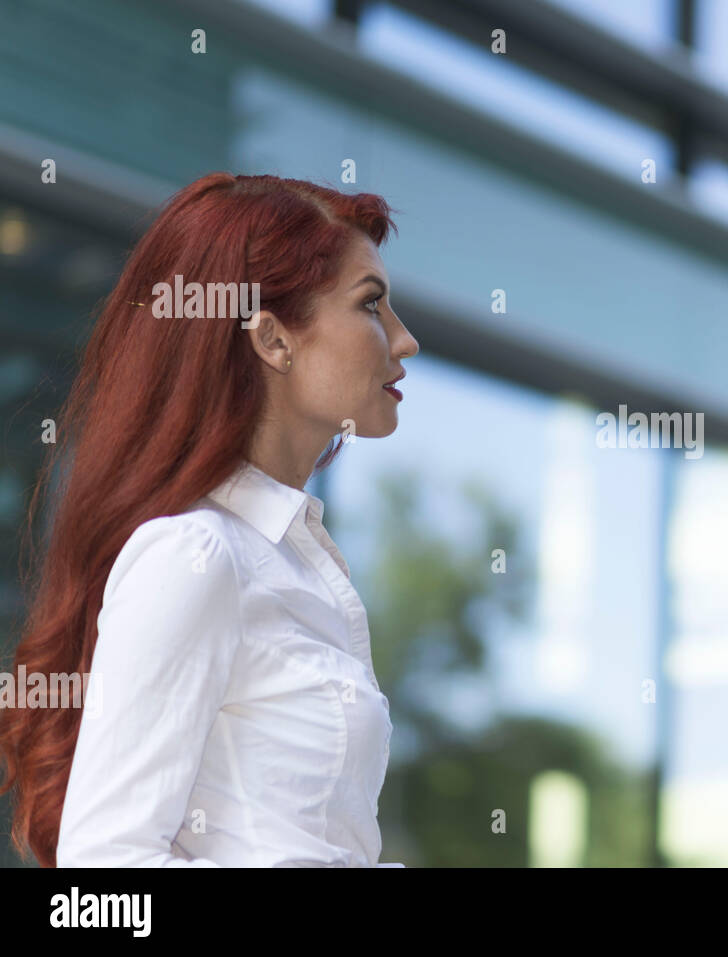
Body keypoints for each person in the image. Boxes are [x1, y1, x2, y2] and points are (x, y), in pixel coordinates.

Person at [0, 173, 419, 866]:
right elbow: (106, 871)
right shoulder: (195, 554)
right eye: (371, 304)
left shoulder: (288, 560)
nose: (404, 341)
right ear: (272, 338)